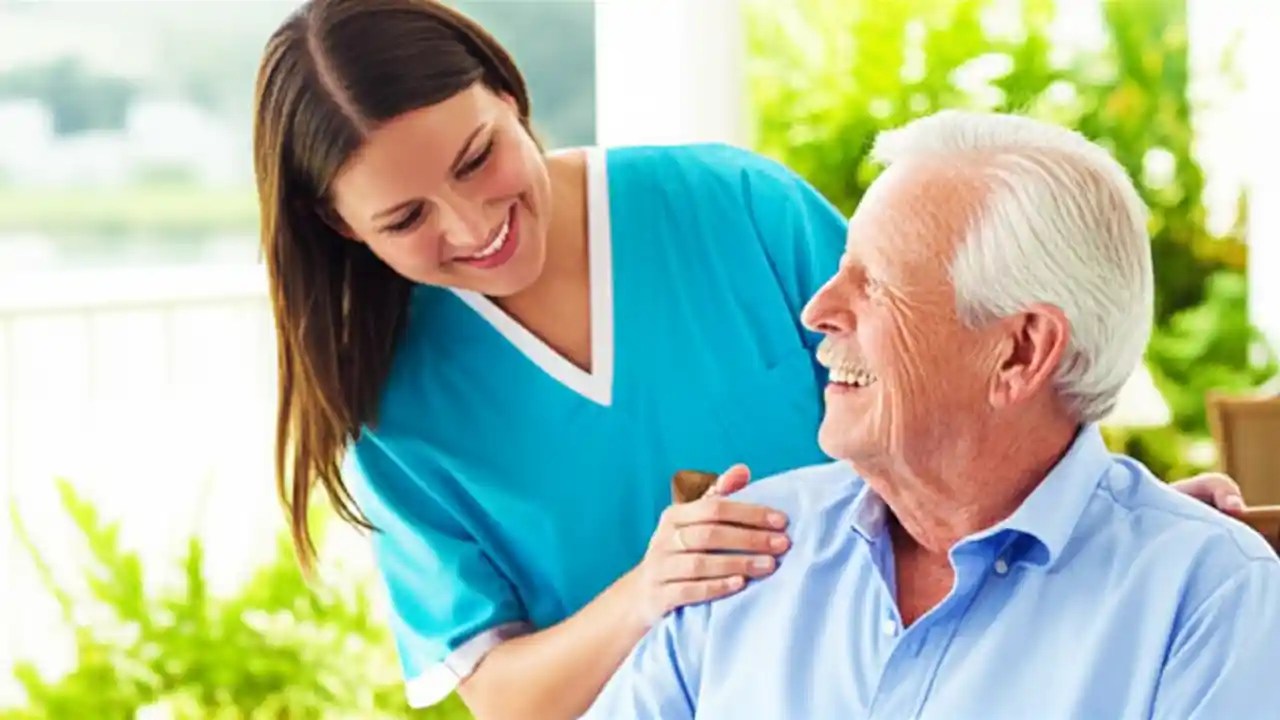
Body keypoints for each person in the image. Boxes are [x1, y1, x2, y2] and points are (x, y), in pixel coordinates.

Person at [250, 1, 1247, 717]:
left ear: (508, 94)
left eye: (475, 158)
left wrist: (1117, 519)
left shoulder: (732, 210)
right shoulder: (387, 403)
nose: (473, 225)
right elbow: (503, 698)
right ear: (339, 231)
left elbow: (968, 375)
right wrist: (651, 593)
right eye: (404, 217)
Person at [582, 111, 1280, 720]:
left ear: (1020, 351)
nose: (817, 311)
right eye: (839, 269)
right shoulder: (744, 555)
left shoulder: (1208, 599)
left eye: (875, 284)